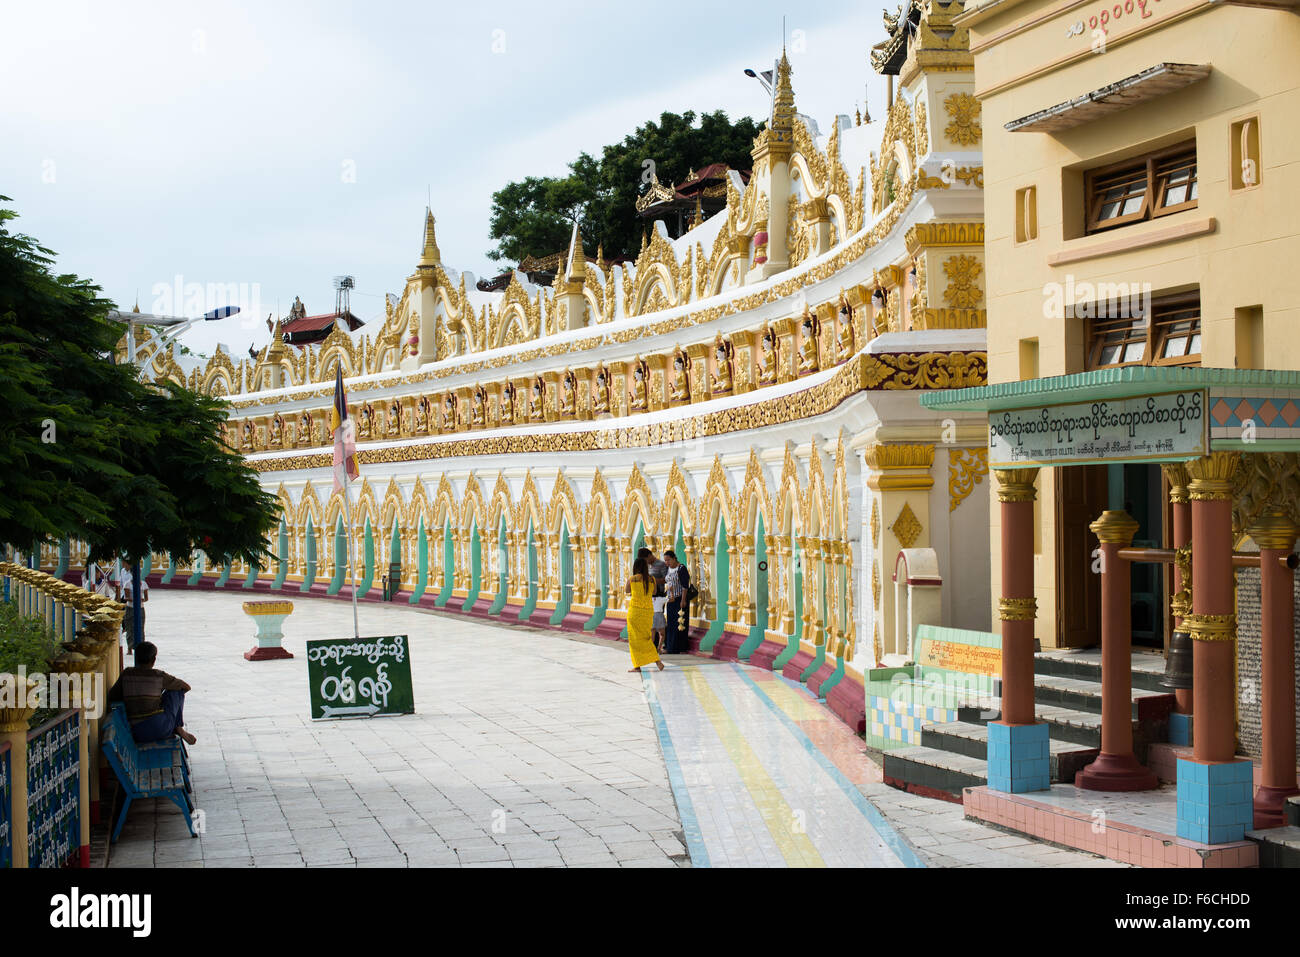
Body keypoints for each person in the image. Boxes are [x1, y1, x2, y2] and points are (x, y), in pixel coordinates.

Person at [107, 641, 196, 745]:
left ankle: (177, 727)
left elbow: (113, 696)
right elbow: (186, 687)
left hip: (136, 732)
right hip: (160, 729)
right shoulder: (158, 676)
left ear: (137, 658)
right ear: (153, 660)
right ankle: (178, 727)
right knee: (175, 692)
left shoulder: (126, 674)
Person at [624, 557, 664, 674]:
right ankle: (657, 661)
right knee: (646, 637)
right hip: (647, 612)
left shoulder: (632, 579)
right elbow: (654, 592)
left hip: (635, 612)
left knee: (634, 639)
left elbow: (627, 590)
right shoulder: (652, 579)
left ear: (635, 567)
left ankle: (637, 666)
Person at [664, 550, 691, 654]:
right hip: (670, 600)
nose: (667, 562)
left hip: (679, 599)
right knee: (671, 623)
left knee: (680, 623)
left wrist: (683, 600)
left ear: (674, 558)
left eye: (668, 560)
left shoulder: (681, 568)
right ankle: (670, 646)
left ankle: (680, 647)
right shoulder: (667, 569)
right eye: (665, 560)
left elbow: (685, 586)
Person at [120, 570, 149, 646]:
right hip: (130, 607)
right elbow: (126, 597)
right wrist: (134, 599)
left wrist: (142, 600)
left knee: (141, 627)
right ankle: (130, 646)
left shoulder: (143, 584)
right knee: (129, 627)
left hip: (140, 607)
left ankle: (141, 645)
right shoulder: (128, 584)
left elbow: (146, 598)